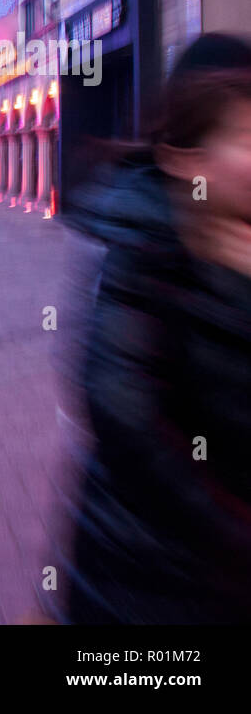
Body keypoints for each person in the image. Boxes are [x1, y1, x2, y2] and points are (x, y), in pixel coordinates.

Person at [53, 33, 251, 623]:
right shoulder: (143, 242)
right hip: (146, 580)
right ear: (187, 155)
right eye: (244, 135)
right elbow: (122, 412)